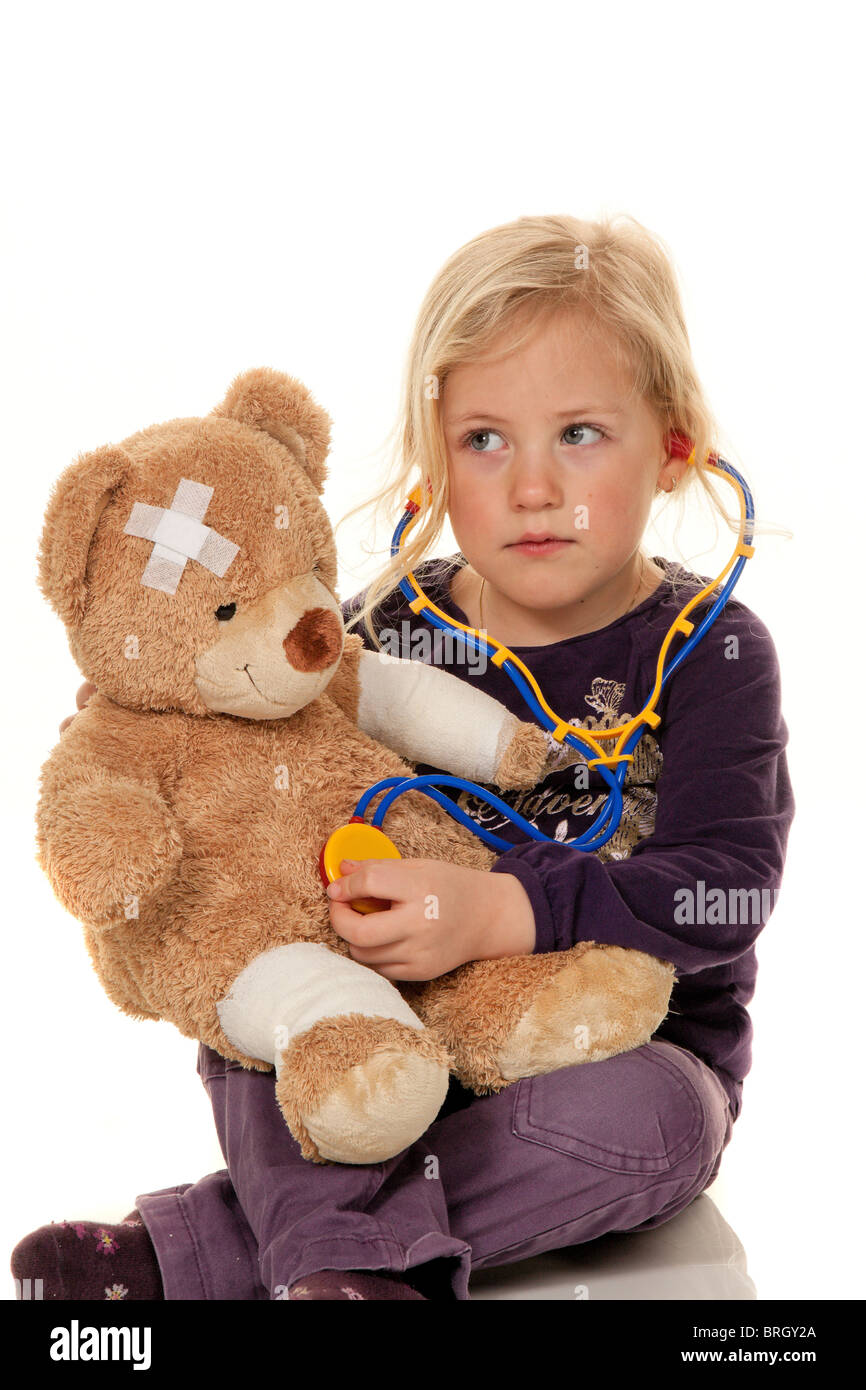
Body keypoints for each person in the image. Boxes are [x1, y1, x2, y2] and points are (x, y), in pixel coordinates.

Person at [12, 213, 794, 1301]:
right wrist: (141, 730)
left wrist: (501, 913)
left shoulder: (710, 651)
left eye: (578, 433)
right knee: (256, 990)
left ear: (672, 445)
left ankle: (218, 1251)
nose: (531, 487)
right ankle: (346, 1261)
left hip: (593, 1058)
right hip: (379, 1028)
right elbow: (234, 723)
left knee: (658, 1123)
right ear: (433, 459)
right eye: (483, 439)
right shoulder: (378, 630)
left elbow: (725, 892)